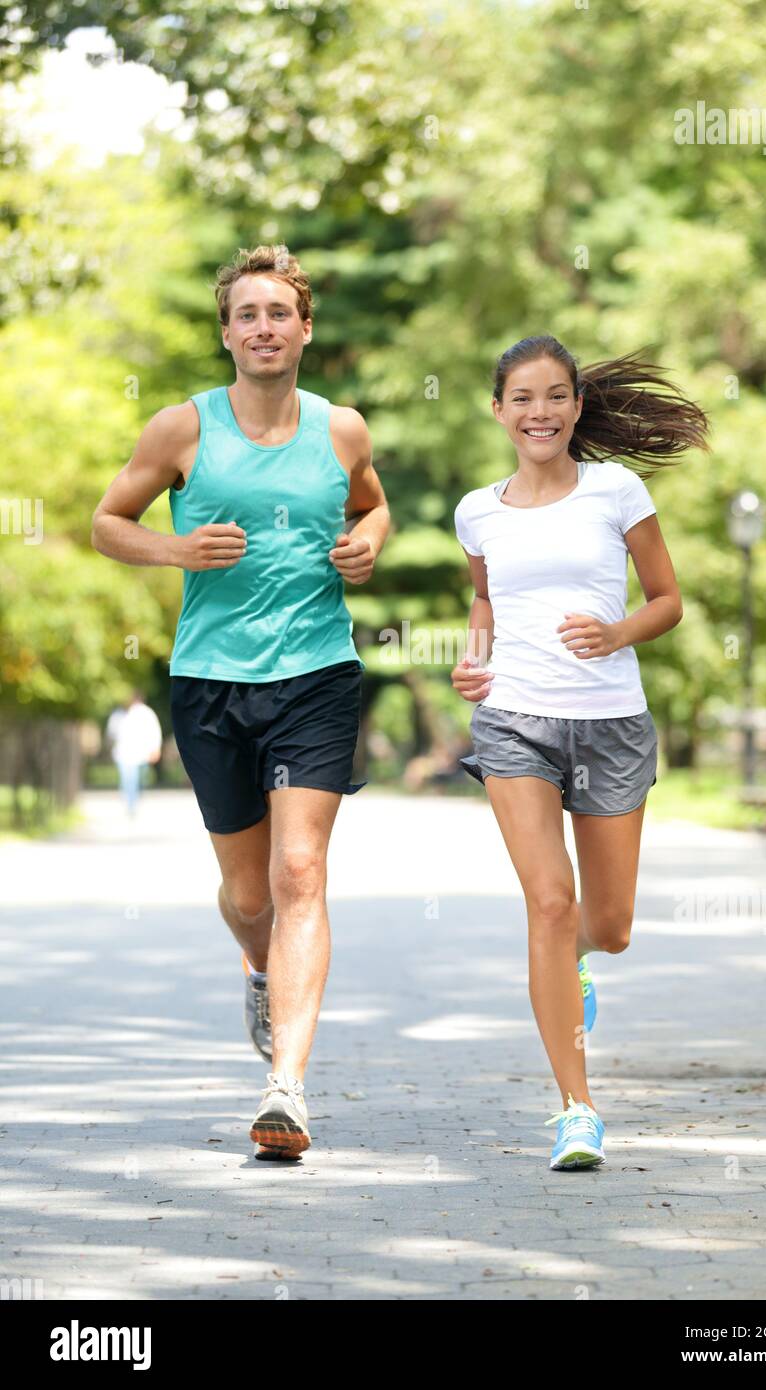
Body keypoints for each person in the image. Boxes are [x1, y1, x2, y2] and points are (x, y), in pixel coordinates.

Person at [92, 244, 390, 1159]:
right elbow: (108, 523)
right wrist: (176, 552)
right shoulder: (181, 430)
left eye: (279, 313)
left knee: (302, 873)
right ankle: (259, 967)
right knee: (247, 890)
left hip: (317, 675)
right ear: (227, 333)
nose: (264, 328)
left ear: (304, 328)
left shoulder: (341, 430)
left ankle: (286, 1089)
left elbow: (372, 507)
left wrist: (367, 543)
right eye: (247, 315)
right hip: (211, 679)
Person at [452, 336, 709, 1171]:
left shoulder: (615, 489)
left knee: (609, 926)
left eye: (556, 396)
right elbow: (486, 603)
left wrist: (617, 631)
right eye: (522, 399)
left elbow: (668, 600)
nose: (540, 413)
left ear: (577, 407)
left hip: (609, 722)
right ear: (499, 411)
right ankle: (576, 1109)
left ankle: (581, 969)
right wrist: (474, 661)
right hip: (515, 722)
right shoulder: (476, 511)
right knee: (550, 907)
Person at [105, 690, 163, 817]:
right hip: (124, 754)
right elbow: (111, 733)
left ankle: (135, 799)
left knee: (140, 780)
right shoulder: (118, 714)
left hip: (142, 754)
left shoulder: (146, 713)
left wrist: (156, 749)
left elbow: (155, 731)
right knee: (128, 780)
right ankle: (130, 805)